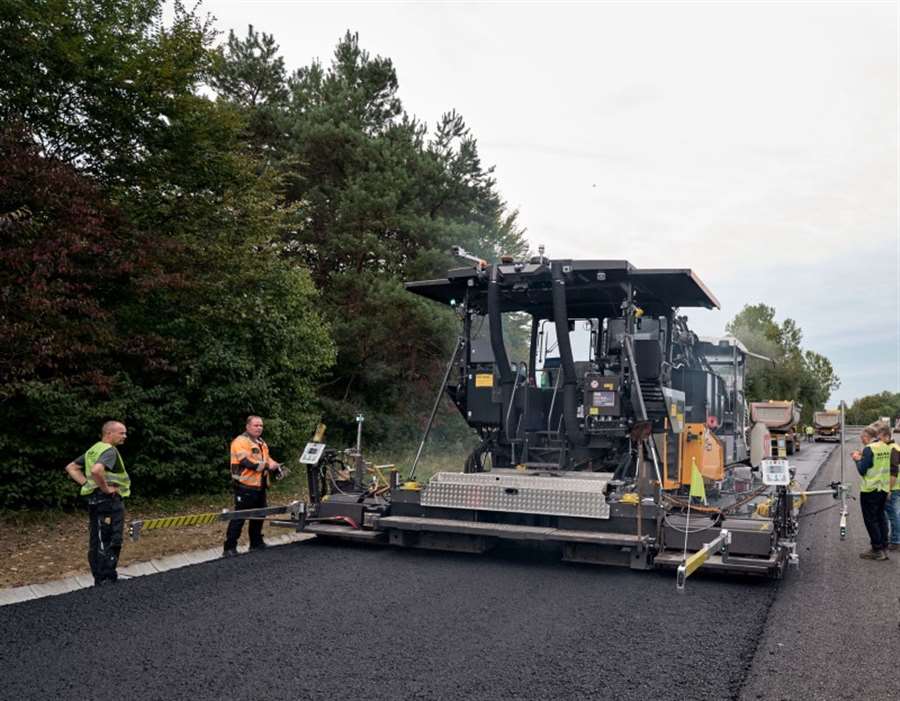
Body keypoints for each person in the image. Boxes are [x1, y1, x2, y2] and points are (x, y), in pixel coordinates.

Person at [64, 421, 131, 585]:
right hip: (109, 501)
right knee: (111, 537)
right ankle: (107, 578)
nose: (125, 436)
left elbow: (71, 467)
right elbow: (96, 471)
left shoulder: (93, 450)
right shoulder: (109, 451)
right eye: (121, 433)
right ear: (109, 433)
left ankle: (99, 577)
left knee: (97, 538)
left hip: (95, 500)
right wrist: (106, 489)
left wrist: (88, 485)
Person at [223, 416, 283, 556]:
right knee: (239, 517)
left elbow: (266, 458)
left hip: (260, 485)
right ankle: (229, 548)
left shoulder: (261, 442)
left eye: (261, 425)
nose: (259, 428)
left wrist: (276, 465)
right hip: (244, 485)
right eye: (256, 425)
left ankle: (256, 543)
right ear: (248, 426)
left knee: (260, 514)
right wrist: (268, 466)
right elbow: (247, 462)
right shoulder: (240, 442)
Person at [851, 426, 891, 560]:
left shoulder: (869, 448)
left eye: (862, 438)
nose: (862, 441)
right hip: (883, 488)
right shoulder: (885, 446)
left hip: (870, 489)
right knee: (881, 517)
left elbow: (862, 470)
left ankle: (877, 549)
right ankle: (884, 546)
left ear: (866, 437)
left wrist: (857, 459)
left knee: (871, 520)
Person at [878, 425, 900, 550]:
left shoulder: (892, 449)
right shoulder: (894, 447)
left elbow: (894, 471)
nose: (878, 440)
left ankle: (896, 541)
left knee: (893, 514)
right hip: (895, 486)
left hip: (894, 486)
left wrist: (889, 489)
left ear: (887, 436)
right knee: (892, 513)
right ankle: (890, 539)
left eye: (880, 437)